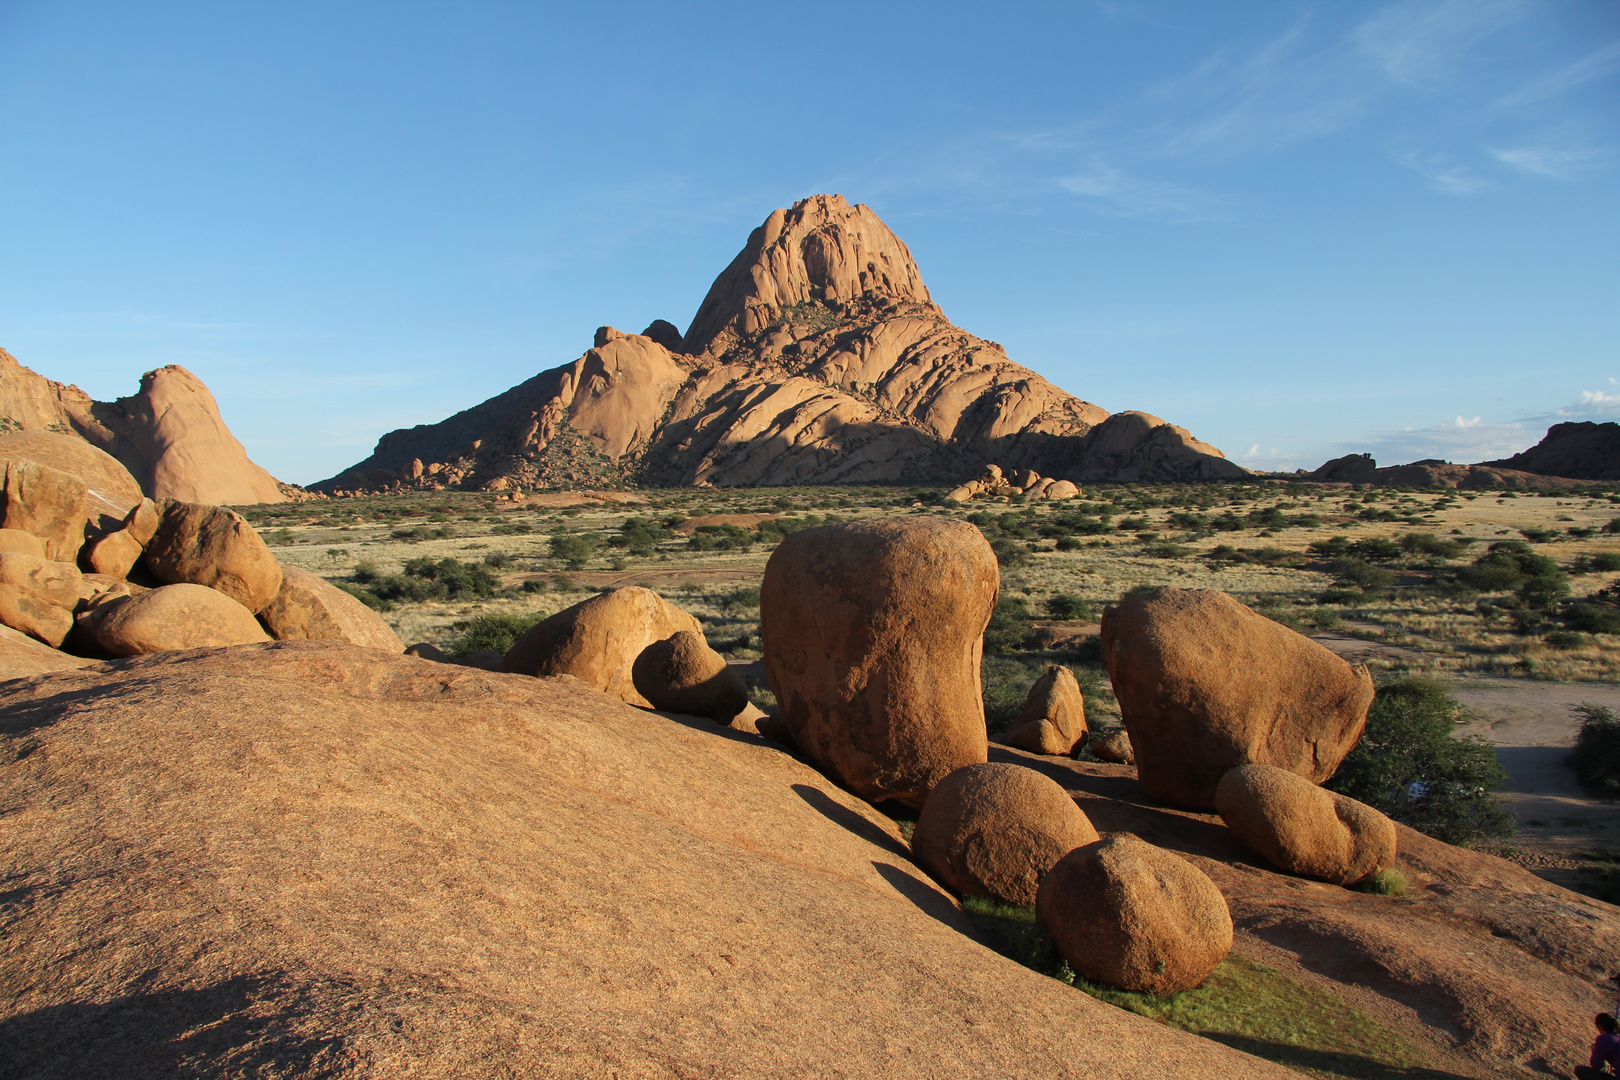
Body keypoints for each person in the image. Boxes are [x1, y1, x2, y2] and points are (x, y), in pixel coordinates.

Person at [1577, 1013, 1620, 1080]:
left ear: (1600, 1026)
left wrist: (1595, 1052)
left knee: (1580, 1070)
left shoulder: (1603, 1039)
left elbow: (1597, 1066)